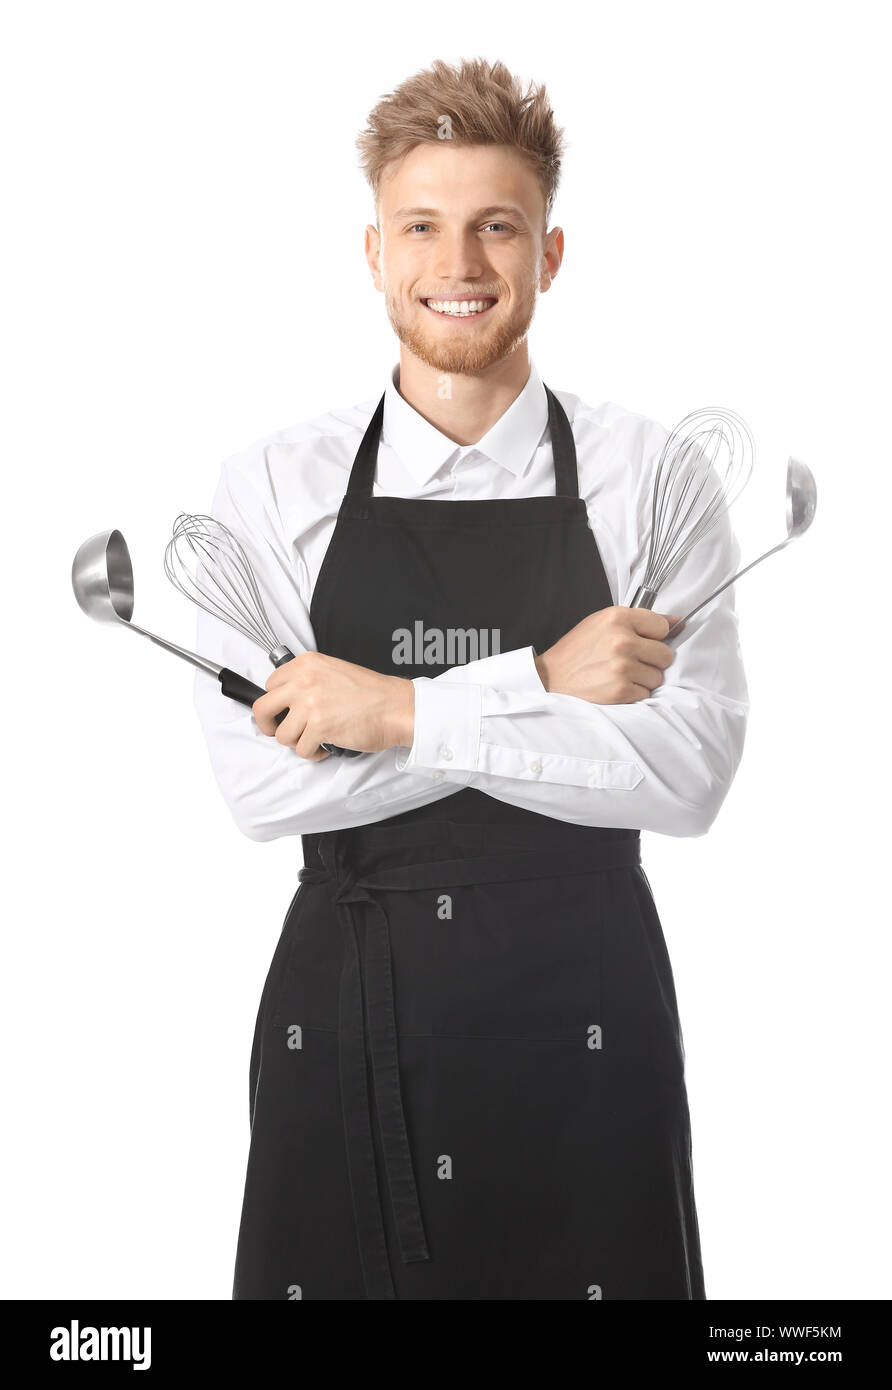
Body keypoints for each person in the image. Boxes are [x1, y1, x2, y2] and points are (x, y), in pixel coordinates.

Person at [193, 57, 749, 1301]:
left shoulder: (649, 479)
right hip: (348, 1004)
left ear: (550, 253)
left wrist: (387, 710)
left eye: (498, 226)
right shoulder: (274, 489)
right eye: (424, 228)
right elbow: (261, 788)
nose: (460, 263)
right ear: (375, 253)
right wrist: (546, 686)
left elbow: (689, 771)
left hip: (587, 1018)